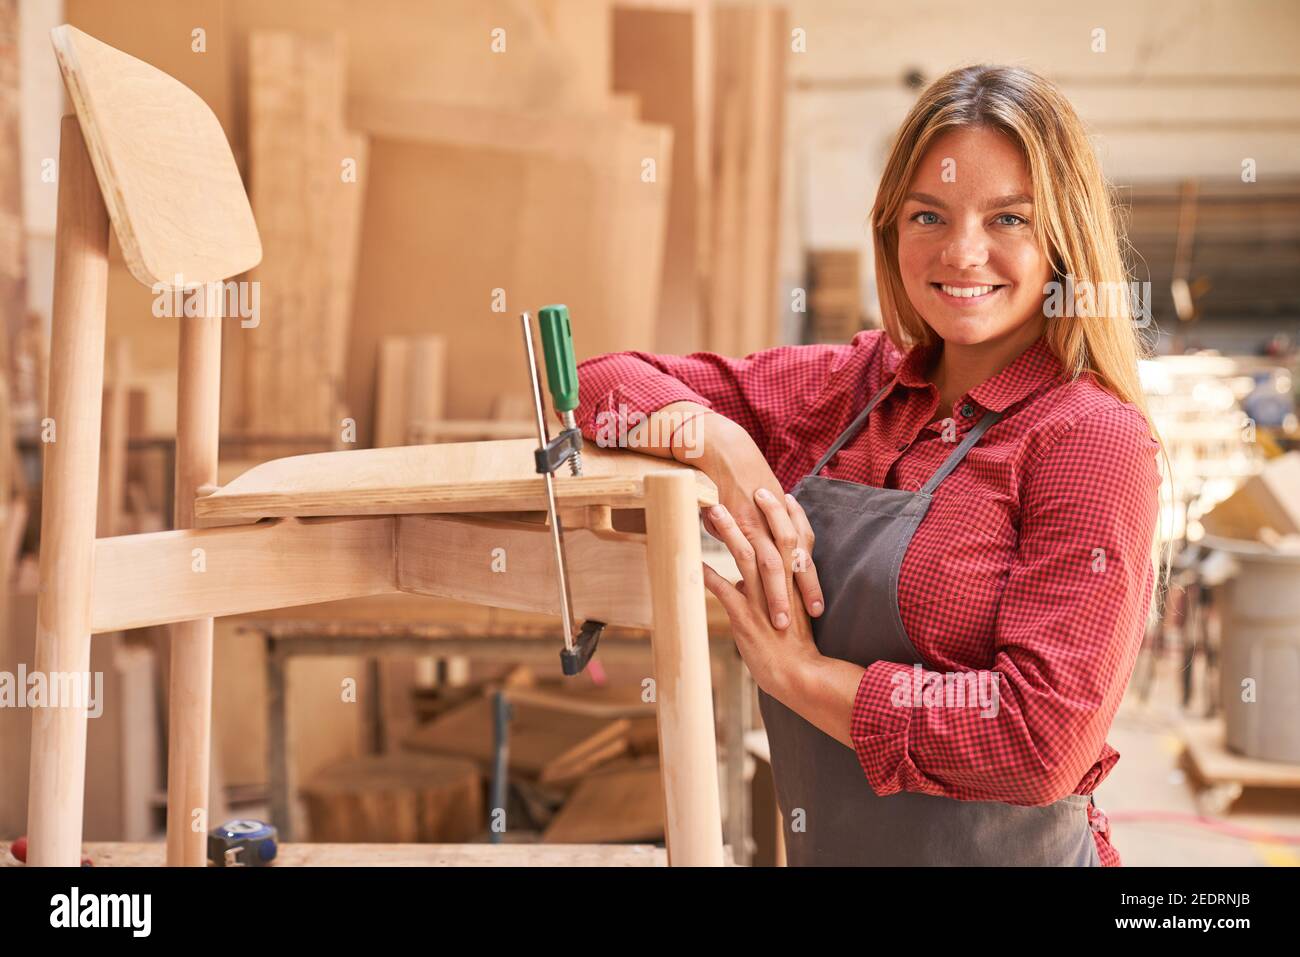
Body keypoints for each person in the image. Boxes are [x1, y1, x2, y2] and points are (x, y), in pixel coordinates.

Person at [572, 64, 1164, 866]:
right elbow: (588, 381)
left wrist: (805, 679)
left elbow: (1040, 738)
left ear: (1065, 236)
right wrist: (720, 443)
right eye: (930, 214)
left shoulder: (1089, 438)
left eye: (1009, 219)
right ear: (891, 228)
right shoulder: (853, 388)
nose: (962, 252)